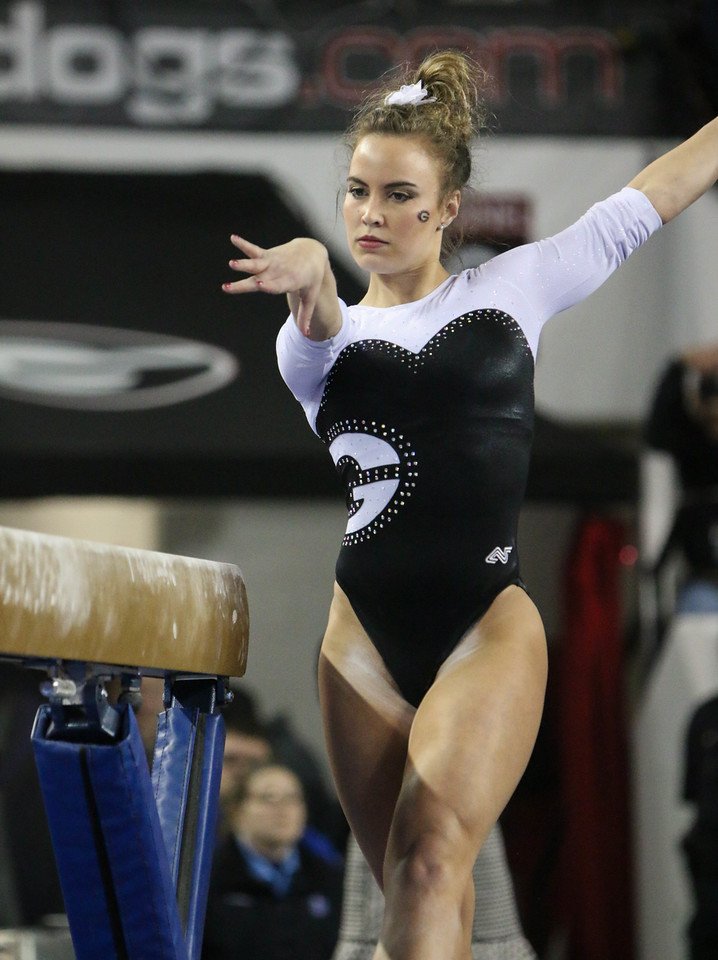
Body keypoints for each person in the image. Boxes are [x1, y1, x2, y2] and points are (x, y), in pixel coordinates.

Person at [221, 48, 718, 960]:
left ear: (448, 209)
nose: (373, 214)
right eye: (358, 191)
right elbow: (326, 323)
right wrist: (309, 279)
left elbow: (655, 193)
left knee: (432, 861)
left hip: (483, 623)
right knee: (412, 900)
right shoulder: (313, 342)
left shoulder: (514, 289)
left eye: (400, 195)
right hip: (359, 637)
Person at [202, 762, 344, 960]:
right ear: (237, 810)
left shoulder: (330, 878)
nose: (282, 809)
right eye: (267, 798)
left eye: (292, 799)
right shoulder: (206, 879)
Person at [644, 344, 718, 615]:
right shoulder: (691, 441)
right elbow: (657, 431)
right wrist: (678, 367)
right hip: (704, 578)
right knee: (698, 616)